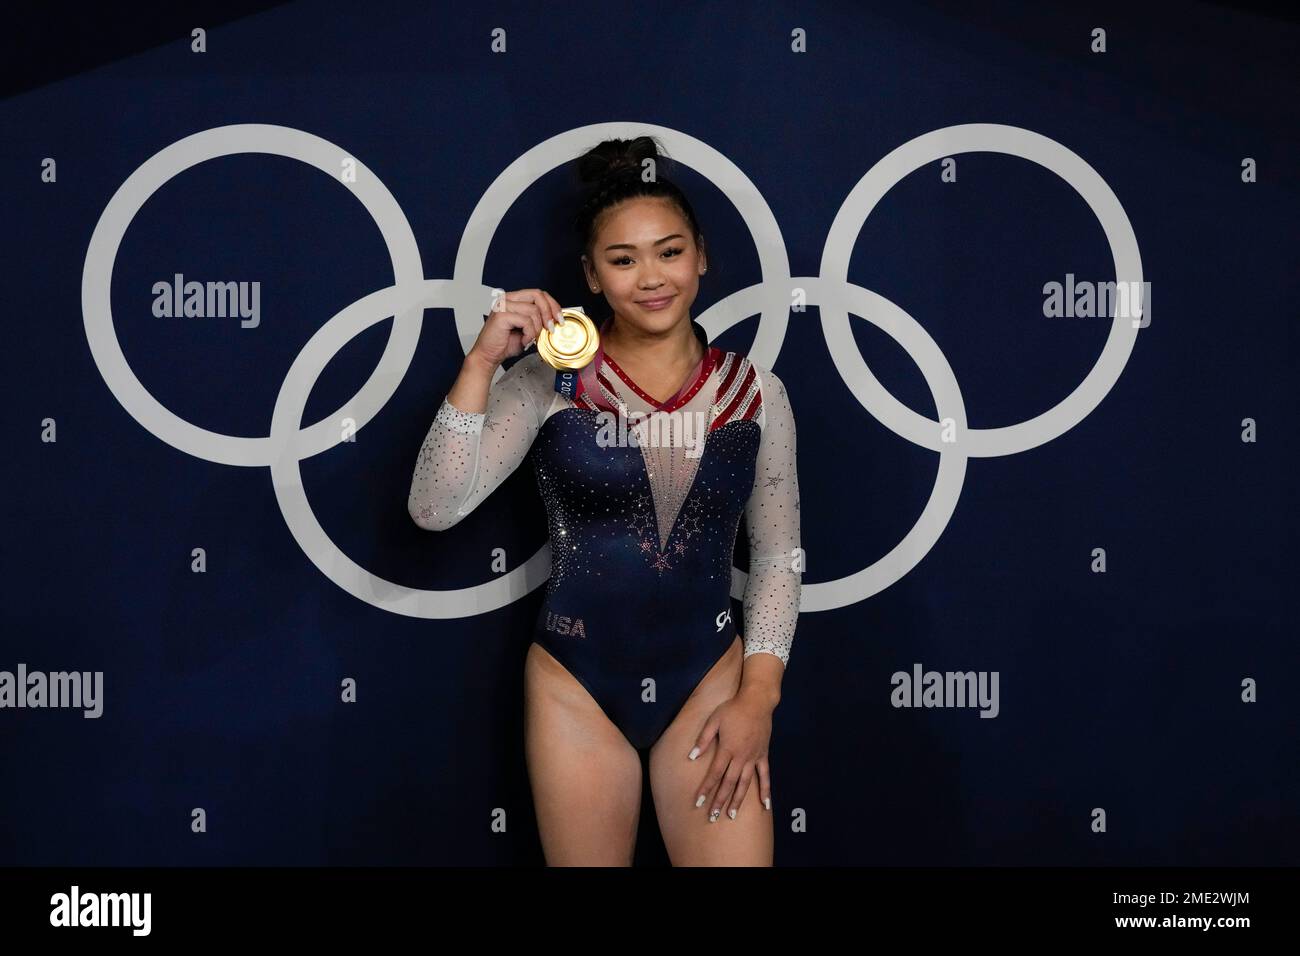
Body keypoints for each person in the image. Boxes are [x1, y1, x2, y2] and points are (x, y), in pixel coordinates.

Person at [408, 136, 801, 865]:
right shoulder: (548, 381)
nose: (651, 278)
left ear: (702, 256)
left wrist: (759, 697)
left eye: (670, 252)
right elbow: (435, 506)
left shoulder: (755, 393)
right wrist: (483, 360)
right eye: (623, 260)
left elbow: (778, 555)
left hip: (711, 684)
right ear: (591, 274)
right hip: (575, 687)